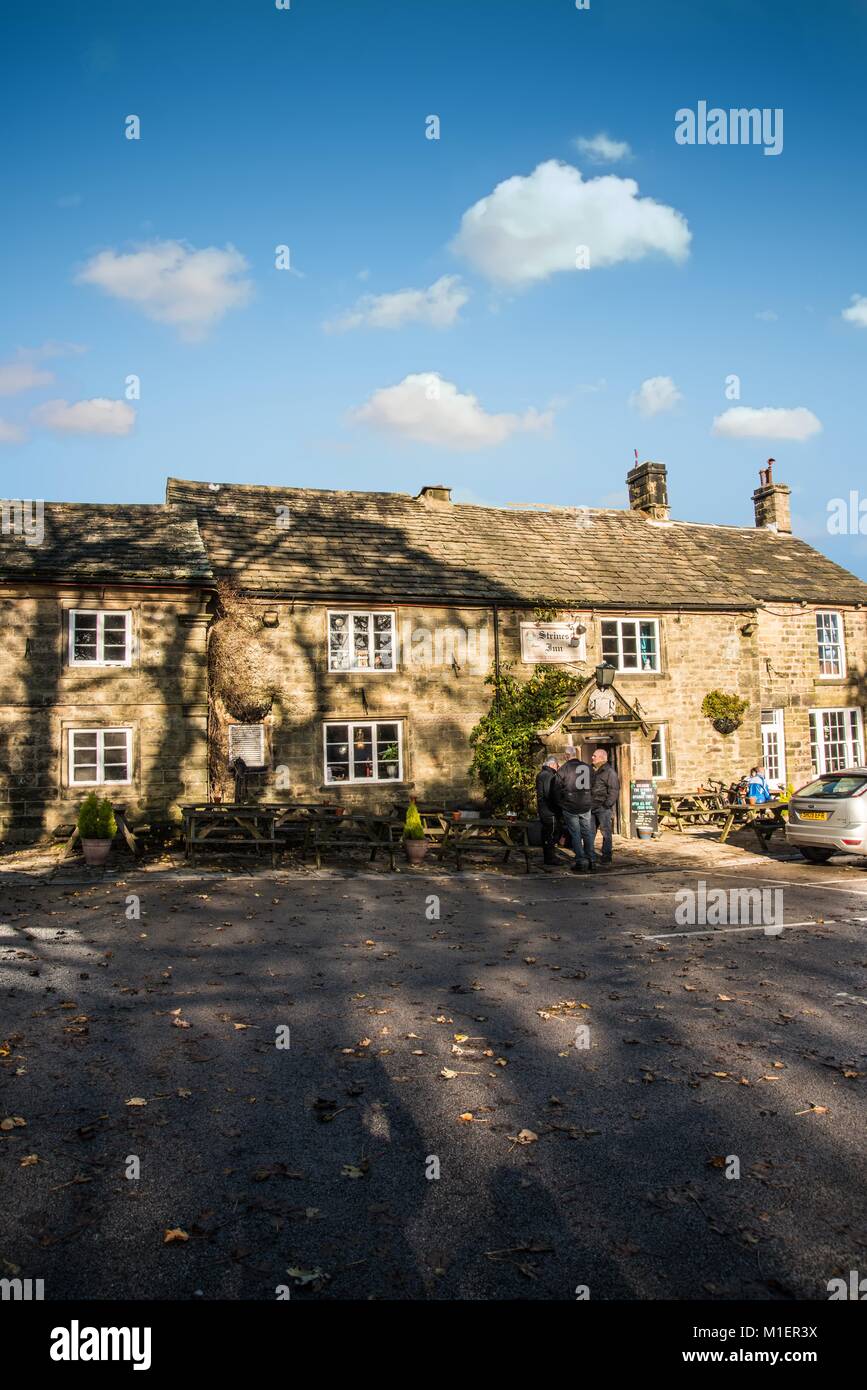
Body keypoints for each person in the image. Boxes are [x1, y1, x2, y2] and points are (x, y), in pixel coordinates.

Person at [550, 744, 596, 873]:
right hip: (586, 804)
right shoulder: (588, 767)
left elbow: (556, 789)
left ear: (567, 756)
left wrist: (561, 803)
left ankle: (580, 860)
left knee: (575, 833)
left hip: (570, 806)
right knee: (587, 832)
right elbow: (594, 784)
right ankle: (592, 859)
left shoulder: (564, 769)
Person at [590, 748, 619, 865]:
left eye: (594, 756)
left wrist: (606, 805)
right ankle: (589, 854)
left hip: (602, 807)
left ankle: (606, 856)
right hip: (591, 807)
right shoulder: (591, 770)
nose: (592, 757)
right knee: (590, 832)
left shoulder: (609, 771)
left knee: (606, 832)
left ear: (602, 757)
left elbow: (614, 790)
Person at [535, 755, 561, 867]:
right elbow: (549, 793)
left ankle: (548, 857)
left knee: (547, 833)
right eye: (557, 765)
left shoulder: (541, 774)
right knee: (552, 834)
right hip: (549, 811)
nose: (558, 768)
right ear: (552, 765)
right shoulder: (549, 775)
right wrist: (559, 805)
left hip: (543, 809)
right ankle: (550, 858)